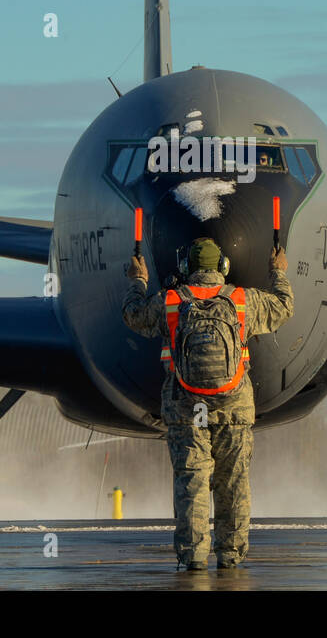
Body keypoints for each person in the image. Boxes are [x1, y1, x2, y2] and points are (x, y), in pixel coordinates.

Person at [123, 236, 293, 571]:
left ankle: (193, 556)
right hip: (233, 408)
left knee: (192, 481)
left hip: (186, 407)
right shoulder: (243, 300)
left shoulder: (170, 301)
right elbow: (284, 307)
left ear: (188, 268)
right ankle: (230, 556)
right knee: (233, 482)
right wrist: (278, 272)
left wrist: (138, 280)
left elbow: (133, 316)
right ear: (222, 267)